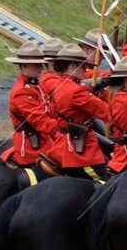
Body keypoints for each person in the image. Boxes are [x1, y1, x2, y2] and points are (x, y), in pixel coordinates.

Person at [41, 42, 113, 180]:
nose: (85, 71)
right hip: (80, 150)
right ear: (74, 65)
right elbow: (107, 112)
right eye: (83, 67)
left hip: (63, 144)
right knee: (104, 182)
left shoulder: (61, 84)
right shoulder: (76, 91)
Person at [0, 42, 58, 169]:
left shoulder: (35, 86)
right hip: (32, 148)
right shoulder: (22, 91)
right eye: (36, 64)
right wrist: (65, 128)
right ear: (24, 65)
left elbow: (50, 112)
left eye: (41, 64)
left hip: (45, 141)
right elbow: (40, 121)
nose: (41, 68)